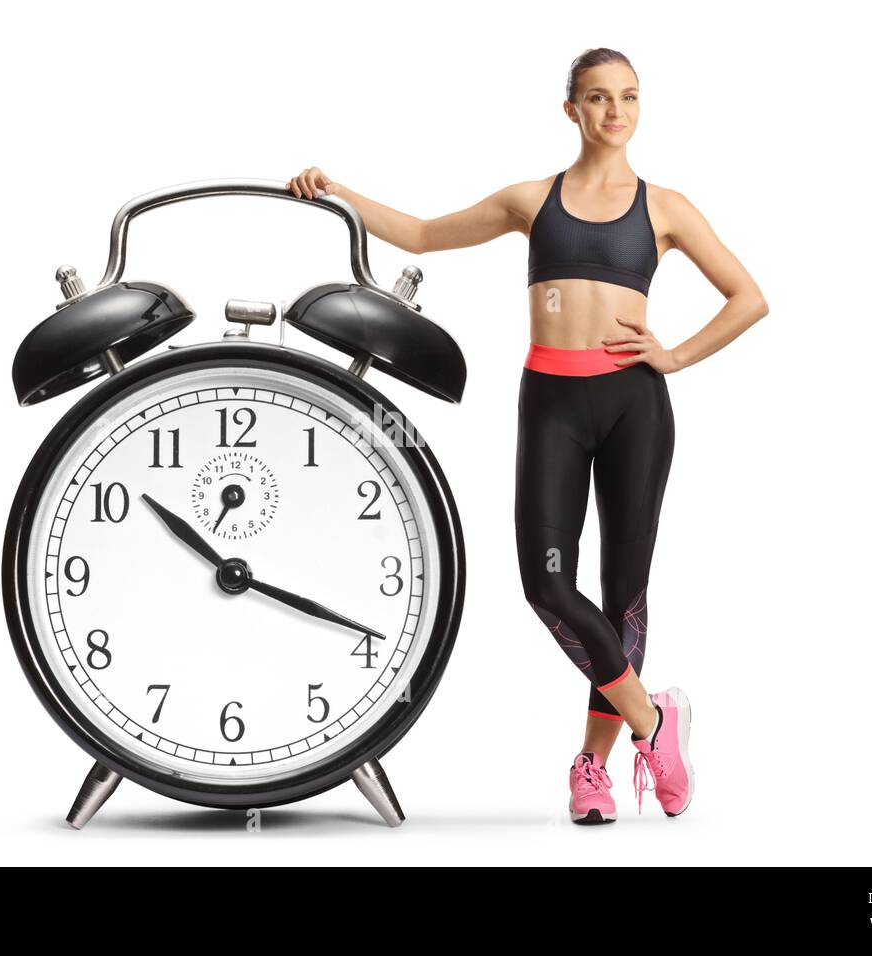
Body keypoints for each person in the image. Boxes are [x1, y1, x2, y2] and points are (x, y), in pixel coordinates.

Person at [287, 47, 768, 824]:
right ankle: (656, 723)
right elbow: (418, 233)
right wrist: (336, 193)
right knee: (546, 585)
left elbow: (749, 297)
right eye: (599, 98)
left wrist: (673, 355)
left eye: (629, 98)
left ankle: (594, 768)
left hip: (634, 406)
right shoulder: (531, 200)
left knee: (622, 599)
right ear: (571, 109)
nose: (616, 112)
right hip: (550, 401)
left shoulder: (666, 207)